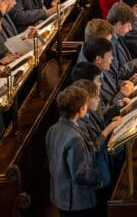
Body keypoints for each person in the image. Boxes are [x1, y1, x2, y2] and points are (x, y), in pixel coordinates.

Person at [47, 84, 113, 217]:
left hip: (60, 195)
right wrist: (99, 178)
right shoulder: (74, 138)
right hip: (77, 201)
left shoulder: (53, 129)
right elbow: (80, 174)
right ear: (81, 108)